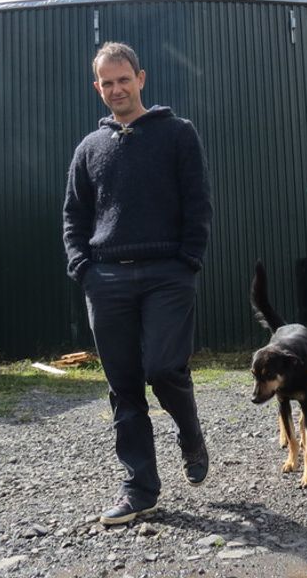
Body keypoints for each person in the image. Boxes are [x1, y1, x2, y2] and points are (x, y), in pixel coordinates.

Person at [63, 41, 213, 526]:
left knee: (165, 367)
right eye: (106, 83)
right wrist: (83, 268)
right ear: (96, 87)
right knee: (124, 387)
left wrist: (188, 259)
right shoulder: (90, 147)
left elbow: (198, 203)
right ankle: (139, 489)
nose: (116, 89)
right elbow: (74, 215)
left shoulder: (176, 133)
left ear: (141, 78)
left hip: (167, 273)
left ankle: (190, 434)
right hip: (105, 279)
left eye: (123, 79)